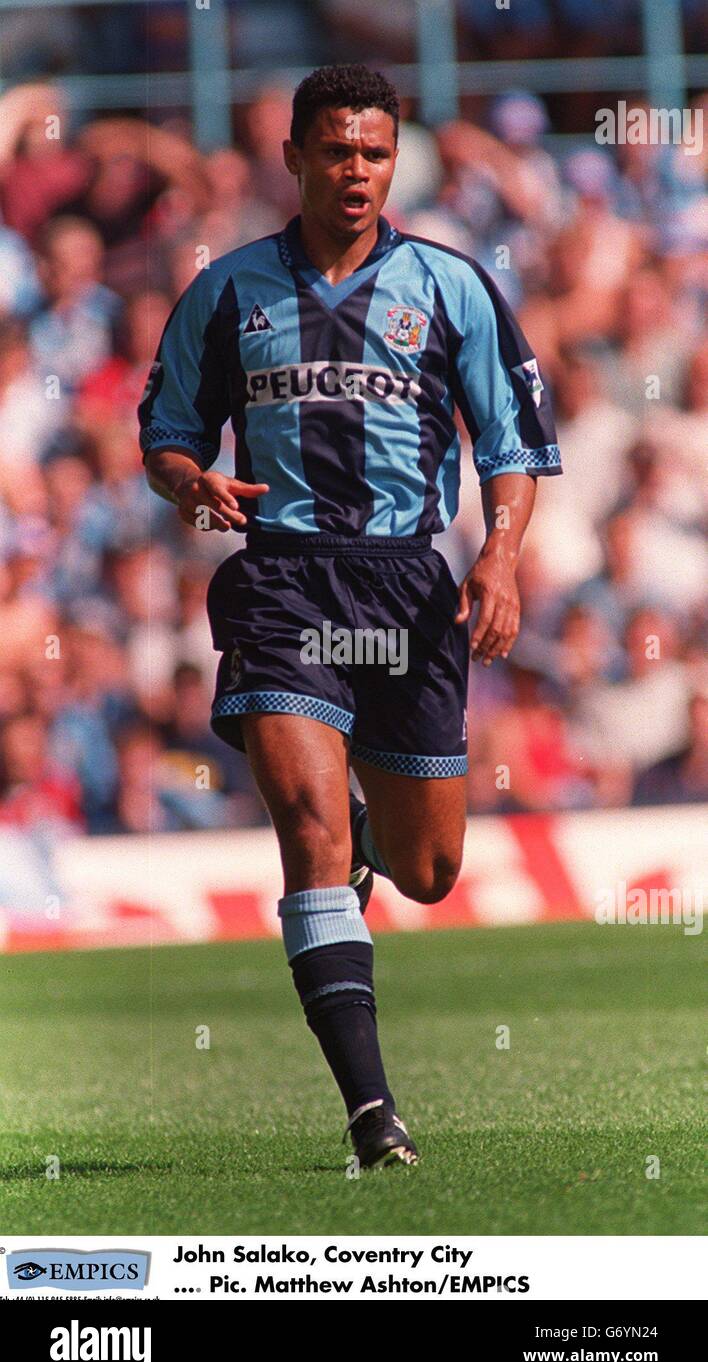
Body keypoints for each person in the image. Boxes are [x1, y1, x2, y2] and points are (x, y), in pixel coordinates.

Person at [139, 65, 561, 1169]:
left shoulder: (452, 286)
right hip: (282, 584)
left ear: (395, 160)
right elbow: (165, 432)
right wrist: (189, 481)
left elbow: (512, 443)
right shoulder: (227, 292)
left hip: (406, 592)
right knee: (308, 835)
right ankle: (374, 1116)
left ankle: (381, 840)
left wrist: (503, 557)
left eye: (374, 152)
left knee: (427, 872)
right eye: (336, 150)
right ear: (294, 158)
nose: (356, 170)